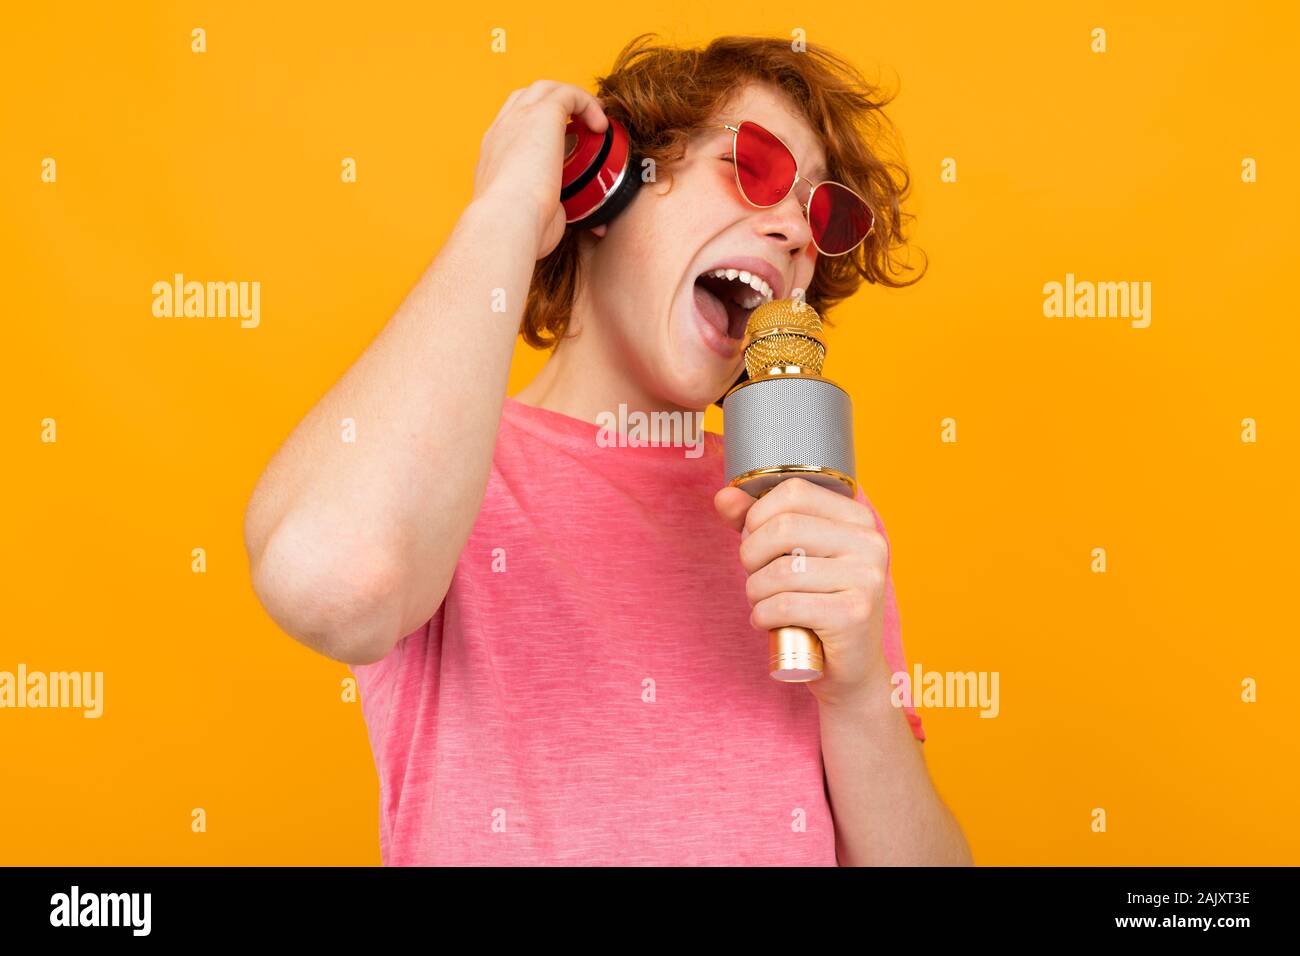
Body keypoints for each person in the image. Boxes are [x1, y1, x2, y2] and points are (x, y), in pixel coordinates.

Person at [243, 33, 972, 866]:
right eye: (757, 168)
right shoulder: (447, 467)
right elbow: (330, 581)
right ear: (608, 190)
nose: (793, 235)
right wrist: (511, 210)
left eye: (820, 218)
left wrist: (856, 696)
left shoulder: (814, 518)